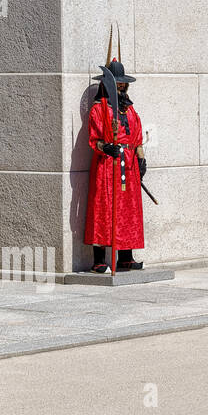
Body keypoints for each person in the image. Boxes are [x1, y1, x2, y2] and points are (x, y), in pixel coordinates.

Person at [85, 60, 147, 272]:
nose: (121, 87)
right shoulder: (99, 109)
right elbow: (94, 138)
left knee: (128, 209)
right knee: (105, 208)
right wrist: (105, 147)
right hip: (107, 164)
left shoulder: (130, 110)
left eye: (123, 84)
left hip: (128, 165)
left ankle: (126, 257)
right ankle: (99, 260)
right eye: (117, 84)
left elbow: (137, 136)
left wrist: (140, 158)